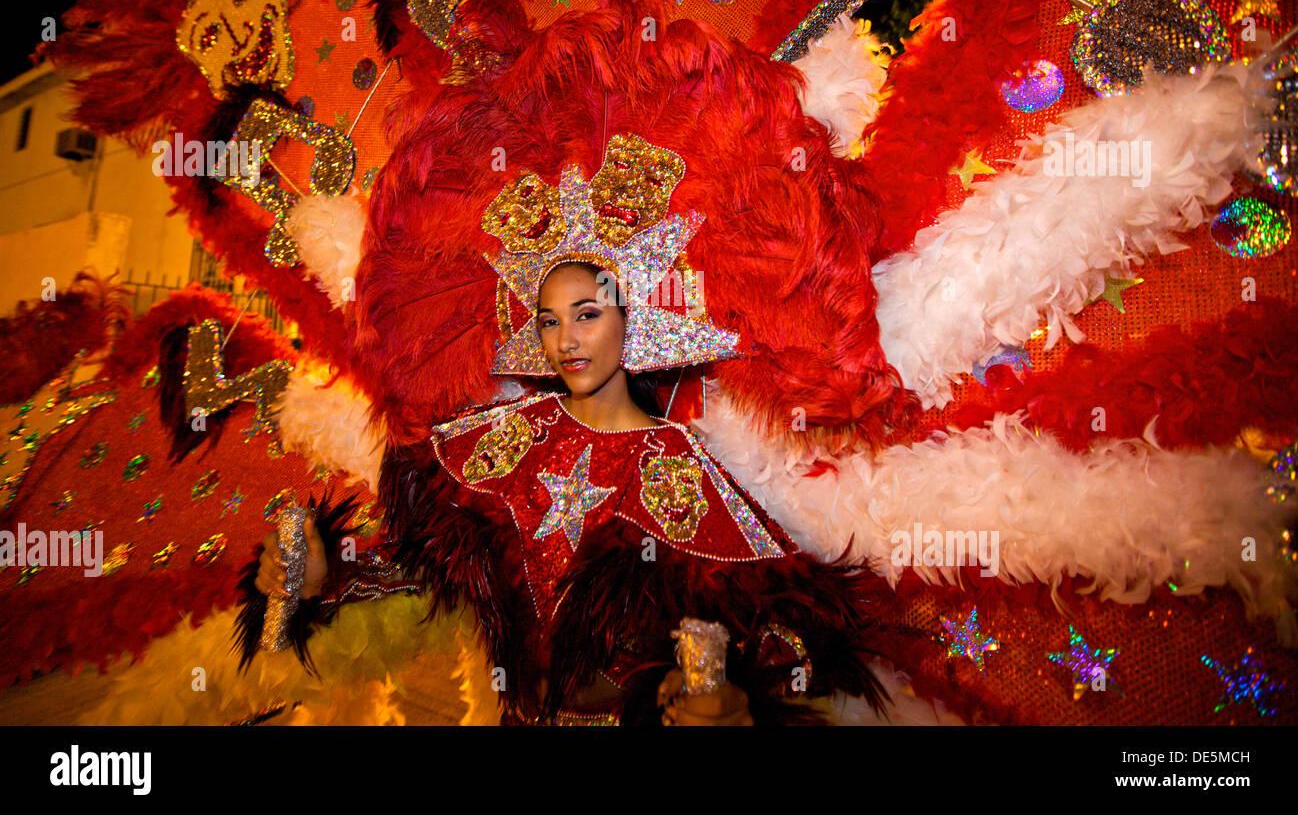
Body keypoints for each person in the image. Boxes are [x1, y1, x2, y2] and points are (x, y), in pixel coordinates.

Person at [236, 139, 894, 725]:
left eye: (586, 313)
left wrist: (727, 699)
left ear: (631, 319)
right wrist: (327, 572)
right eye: (549, 321)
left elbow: (786, 634)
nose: (567, 339)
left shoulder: (672, 465)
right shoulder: (507, 439)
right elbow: (425, 575)